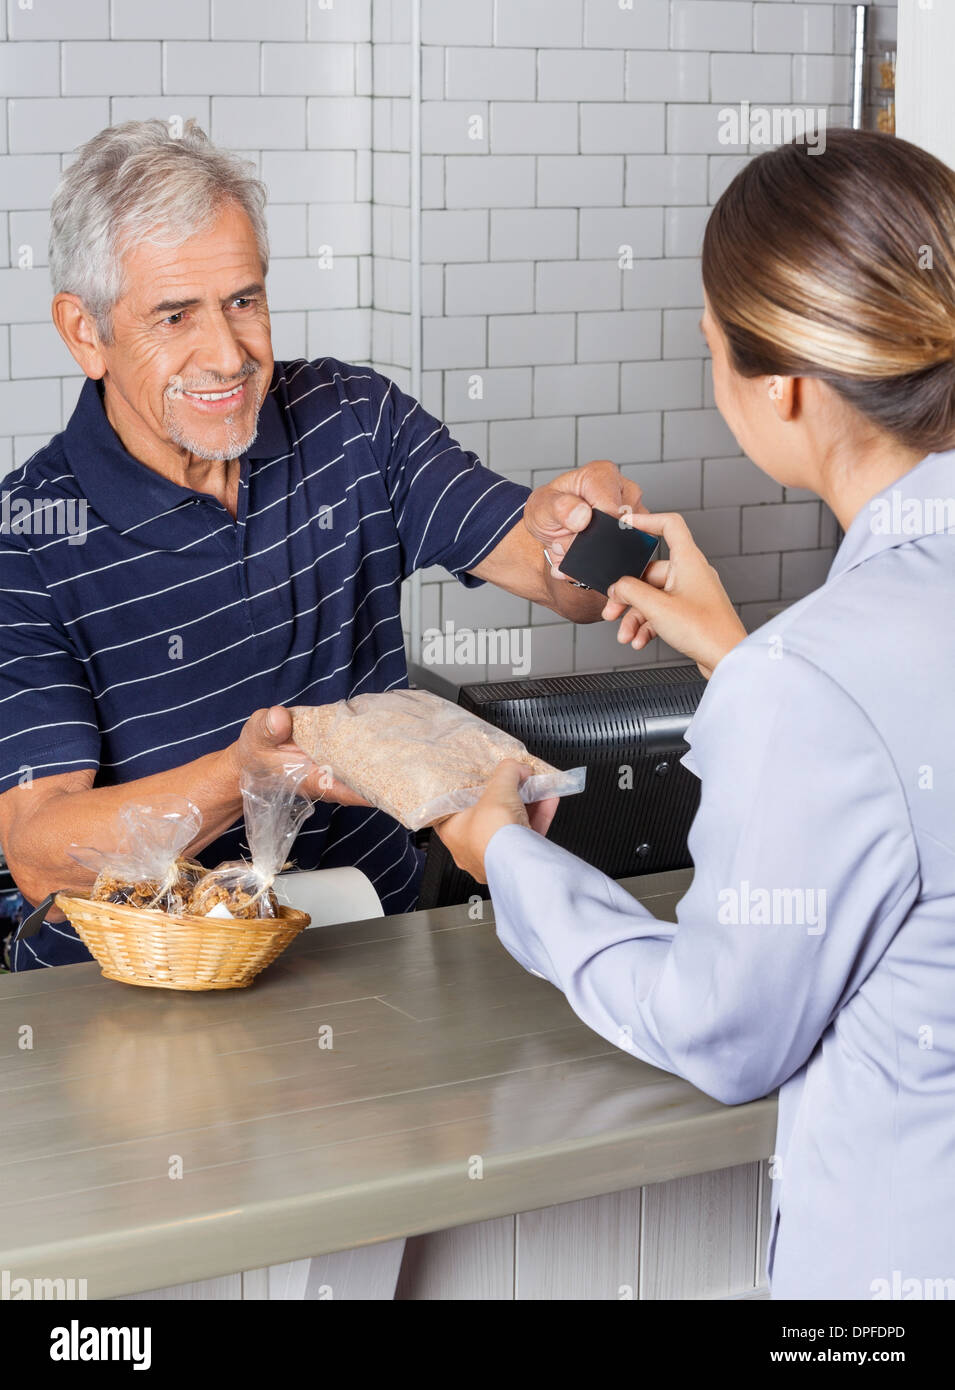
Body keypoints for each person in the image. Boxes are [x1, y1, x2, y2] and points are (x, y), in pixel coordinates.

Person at [436, 129, 955, 1300]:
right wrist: (739, 653)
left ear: (783, 386)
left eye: (712, 348)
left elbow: (723, 1032)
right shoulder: (824, 665)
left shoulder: (819, 680)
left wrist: (502, 854)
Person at [0, 119, 643, 970]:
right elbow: (42, 850)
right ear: (86, 333)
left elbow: (567, 582)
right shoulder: (26, 543)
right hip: (124, 993)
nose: (227, 354)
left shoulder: (352, 421)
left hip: (366, 951)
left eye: (244, 300)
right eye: (174, 315)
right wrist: (256, 771)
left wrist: (592, 535)